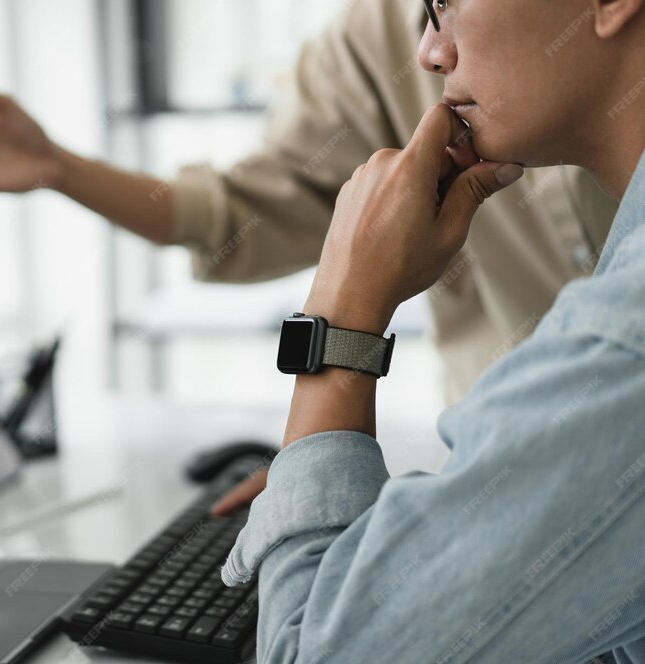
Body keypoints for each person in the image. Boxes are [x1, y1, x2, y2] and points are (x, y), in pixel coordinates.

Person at [0, 0, 619, 517]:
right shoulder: (374, 38)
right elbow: (242, 214)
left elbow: (319, 644)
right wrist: (57, 167)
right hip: (498, 483)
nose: (430, 53)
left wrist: (343, 324)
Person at [218, 0, 645, 659]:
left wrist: (343, 309)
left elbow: (310, 653)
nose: (430, 52)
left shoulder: (625, 348)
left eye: (445, 2)